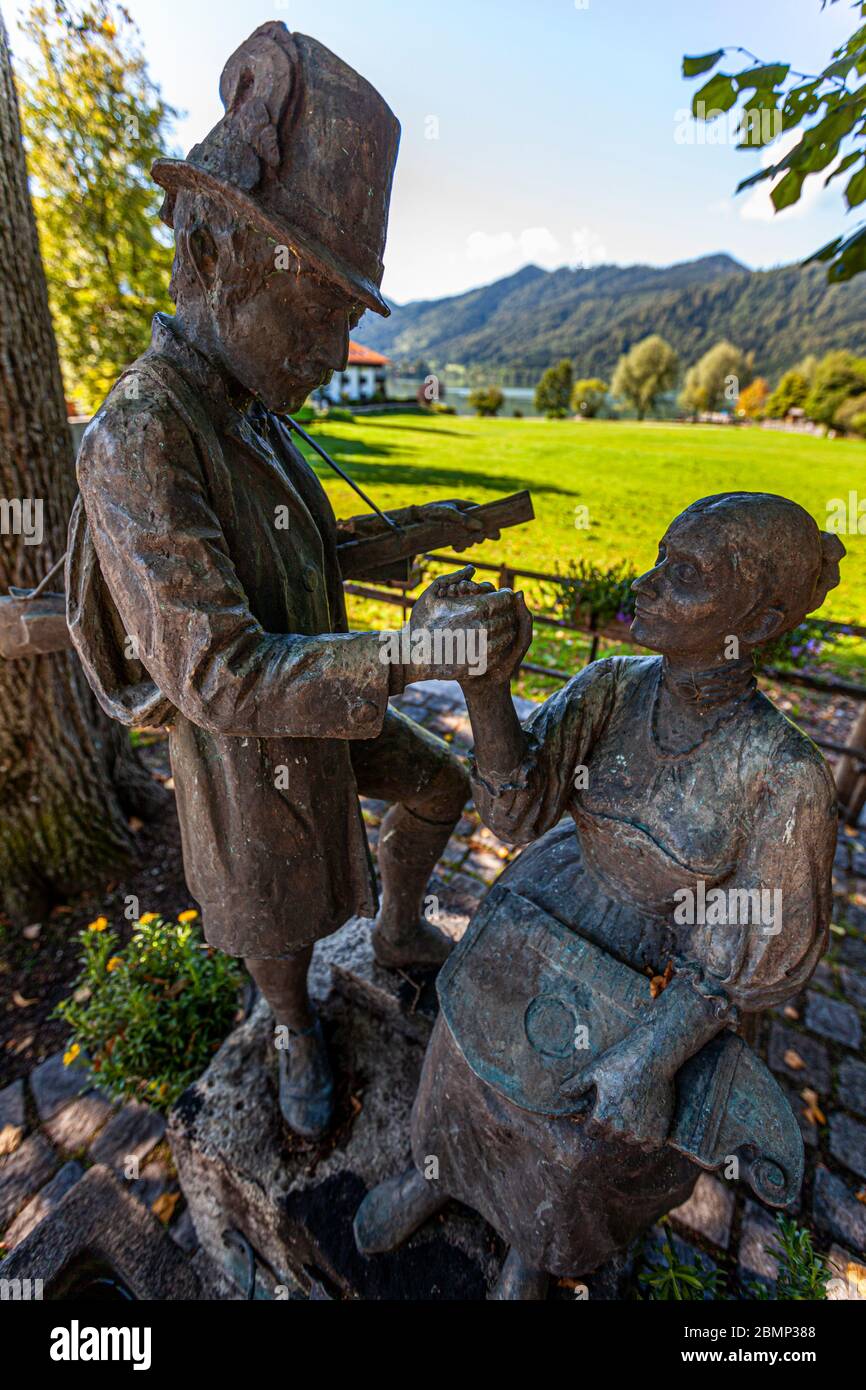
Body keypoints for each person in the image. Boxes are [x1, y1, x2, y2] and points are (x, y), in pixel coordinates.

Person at [67, 22, 518, 1140]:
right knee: (275, 910)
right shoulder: (137, 434)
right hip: (246, 736)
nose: (330, 352)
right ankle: (288, 1023)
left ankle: (402, 923)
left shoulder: (257, 413)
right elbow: (217, 668)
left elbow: (296, 557)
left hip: (325, 695)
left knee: (437, 786)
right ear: (217, 253)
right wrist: (413, 653)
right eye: (319, 310)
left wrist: (401, 541)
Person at [354, 493, 844, 1297]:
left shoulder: (784, 774)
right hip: (554, 900)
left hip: (665, 971)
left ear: (756, 621)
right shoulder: (612, 684)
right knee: (462, 1056)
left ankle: (536, 1251)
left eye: (684, 575)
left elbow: (752, 949)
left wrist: (650, 1060)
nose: (647, 584)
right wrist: (484, 687)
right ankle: (439, 1174)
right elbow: (516, 811)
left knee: (578, 1140)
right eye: (658, 556)